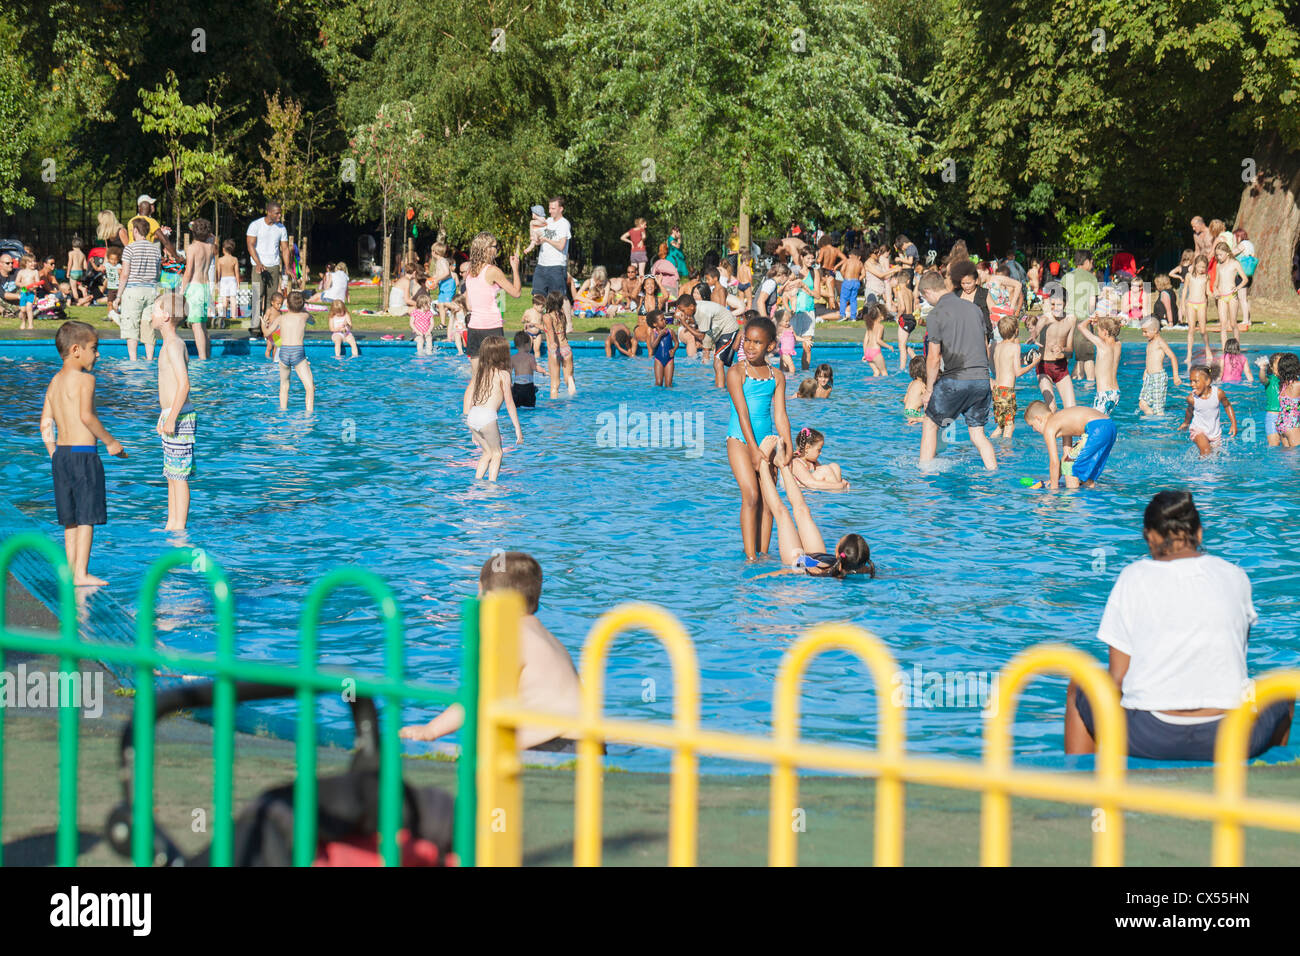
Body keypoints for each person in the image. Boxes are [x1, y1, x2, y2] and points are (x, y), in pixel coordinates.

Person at [1065, 490, 1292, 760]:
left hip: (1149, 736)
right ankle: (1269, 783)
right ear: (1199, 534)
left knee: (1080, 685)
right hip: (1230, 739)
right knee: (1283, 694)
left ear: (1150, 536)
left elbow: (1116, 679)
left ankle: (1083, 788)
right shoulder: (1235, 575)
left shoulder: (1133, 577)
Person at [400, 552, 583, 750]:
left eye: (479, 593)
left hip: (557, 745)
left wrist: (431, 730)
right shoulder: (546, 637)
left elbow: (480, 694)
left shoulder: (511, 637)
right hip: (586, 740)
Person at [39, 321, 127, 586]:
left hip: (62, 456)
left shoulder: (54, 382)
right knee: (87, 517)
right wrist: (111, 442)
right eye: (94, 348)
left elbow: (45, 424)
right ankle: (82, 573)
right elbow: (86, 417)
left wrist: (54, 453)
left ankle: (69, 570)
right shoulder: (86, 380)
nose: (97, 354)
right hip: (84, 455)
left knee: (70, 519)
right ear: (76, 350)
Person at [752, 436, 874, 577]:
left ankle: (762, 463)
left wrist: (757, 578)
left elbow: (788, 571)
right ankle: (782, 465)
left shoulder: (822, 571)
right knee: (803, 510)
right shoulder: (861, 567)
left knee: (782, 513)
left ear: (837, 551)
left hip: (796, 559)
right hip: (819, 556)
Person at [725, 316, 793, 560]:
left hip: (767, 443)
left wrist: (787, 447)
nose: (750, 346)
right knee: (751, 496)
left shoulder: (776, 376)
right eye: (747, 341)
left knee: (767, 501)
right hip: (740, 441)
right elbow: (743, 415)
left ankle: (763, 554)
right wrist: (754, 450)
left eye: (757, 342)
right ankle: (750, 556)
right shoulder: (736, 372)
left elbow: (781, 415)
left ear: (771, 346)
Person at [916, 271, 998, 470]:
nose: (926, 301)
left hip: (956, 379)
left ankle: (925, 476)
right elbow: (985, 345)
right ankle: (993, 474)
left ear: (928, 291)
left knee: (930, 422)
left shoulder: (936, 314)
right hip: (981, 379)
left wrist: (928, 391)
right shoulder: (974, 309)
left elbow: (934, 358)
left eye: (923, 297)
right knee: (978, 434)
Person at [150, 292, 196, 531]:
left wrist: (173, 417)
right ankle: (171, 523)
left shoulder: (175, 345)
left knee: (179, 476)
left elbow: (184, 384)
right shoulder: (167, 344)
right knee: (171, 473)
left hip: (180, 416)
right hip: (171, 414)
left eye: (155, 309)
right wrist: (165, 416)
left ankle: (180, 526)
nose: (151, 313)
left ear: (166, 316)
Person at [464, 335, 522, 482]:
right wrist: (517, 428)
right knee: (497, 453)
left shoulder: (479, 374)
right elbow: (510, 403)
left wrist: (474, 432)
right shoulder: (503, 375)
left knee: (486, 453)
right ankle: (491, 487)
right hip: (487, 417)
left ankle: (476, 484)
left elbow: (472, 399)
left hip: (473, 416)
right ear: (503, 354)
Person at [1022, 401, 1117, 489]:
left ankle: (1073, 501)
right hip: (1109, 426)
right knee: (1073, 464)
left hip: (1097, 428)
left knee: (1069, 465)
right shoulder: (1061, 419)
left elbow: (1054, 462)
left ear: (1038, 419)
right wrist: (1054, 479)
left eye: (1032, 426)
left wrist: (1053, 490)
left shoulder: (1049, 428)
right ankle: (1089, 490)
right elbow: (1066, 455)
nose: (1034, 430)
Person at [465, 231, 522, 374]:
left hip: (474, 329)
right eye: (495, 246)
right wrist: (515, 268)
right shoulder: (493, 271)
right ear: (486, 249)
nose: (497, 249)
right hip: (492, 328)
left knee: (476, 378)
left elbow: (469, 305)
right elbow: (516, 292)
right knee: (501, 374)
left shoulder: (470, 271)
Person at [119, 219, 163, 360]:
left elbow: (125, 274)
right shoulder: (156, 250)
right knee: (148, 325)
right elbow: (158, 273)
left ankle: (133, 360)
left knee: (131, 326)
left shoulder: (129, 249)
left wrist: (118, 295)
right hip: (151, 290)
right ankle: (150, 359)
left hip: (133, 290)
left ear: (136, 231)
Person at [989, 315, 1039, 438]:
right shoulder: (1015, 347)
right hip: (1007, 392)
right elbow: (1018, 372)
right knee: (1009, 426)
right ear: (1017, 331)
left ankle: (990, 444)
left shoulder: (997, 347)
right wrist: (1034, 363)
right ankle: (1005, 454)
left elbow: (1002, 366)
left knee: (1000, 426)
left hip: (996, 390)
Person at [246, 202, 291, 331]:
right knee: (257, 294)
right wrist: (258, 263)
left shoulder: (281, 228)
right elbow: (250, 245)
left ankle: (269, 325)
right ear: (269, 212)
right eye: (277, 213)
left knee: (272, 298)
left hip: (274, 266)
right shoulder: (255, 225)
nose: (279, 215)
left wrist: (287, 267)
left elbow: (285, 248)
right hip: (258, 265)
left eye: (280, 212)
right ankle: (255, 326)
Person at [1031, 289, 1077, 411]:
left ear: (1065, 304)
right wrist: (1033, 336)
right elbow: (1036, 330)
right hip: (1044, 367)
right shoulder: (1045, 318)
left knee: (1072, 409)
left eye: (1059, 305)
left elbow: (1070, 351)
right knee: (1052, 408)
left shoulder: (1071, 320)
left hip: (1061, 367)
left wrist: (1062, 349)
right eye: (1052, 304)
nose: (1055, 308)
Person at [1179, 365, 1236, 456]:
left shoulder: (1218, 393)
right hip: (1198, 430)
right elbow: (1189, 411)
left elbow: (1227, 405)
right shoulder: (1192, 398)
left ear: (1207, 381)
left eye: (1195, 381)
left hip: (1214, 433)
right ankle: (1201, 469)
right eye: (1191, 381)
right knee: (1206, 452)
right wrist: (1186, 423)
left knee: (1214, 457)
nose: (1192, 384)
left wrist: (1233, 423)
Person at [180, 219, 215, 359]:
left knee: (196, 326)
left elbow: (188, 271)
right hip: (206, 287)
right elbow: (212, 236)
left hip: (194, 287)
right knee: (203, 326)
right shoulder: (210, 247)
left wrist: (182, 291)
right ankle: (206, 355)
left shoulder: (192, 248)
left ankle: (202, 358)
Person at [276, 291, 315, 412]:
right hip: (297, 351)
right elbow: (313, 321)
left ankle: (283, 411)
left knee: (284, 385)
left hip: (283, 351)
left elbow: (267, 332)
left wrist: (263, 324)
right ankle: (309, 415)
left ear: (286, 304)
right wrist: (305, 312)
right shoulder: (304, 316)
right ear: (302, 305)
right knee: (309, 388)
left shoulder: (280, 317)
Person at [1136, 317, 1183, 416]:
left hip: (1158, 377)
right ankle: (1151, 420)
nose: (1143, 334)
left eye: (1145, 332)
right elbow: (1150, 359)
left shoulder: (1160, 342)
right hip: (1149, 376)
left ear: (1154, 330)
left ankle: (1159, 426)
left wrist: (1175, 376)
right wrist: (1146, 371)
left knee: (1158, 408)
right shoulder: (1150, 342)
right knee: (1142, 404)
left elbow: (1172, 357)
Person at [1077, 316, 1123, 414]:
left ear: (1105, 332)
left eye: (1098, 330)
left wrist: (1090, 319)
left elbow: (1081, 326)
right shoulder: (1118, 344)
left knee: (1095, 423)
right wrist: (1102, 321)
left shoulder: (1101, 345)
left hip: (1104, 394)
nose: (1097, 333)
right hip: (1115, 393)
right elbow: (1113, 332)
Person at [530, 197, 572, 301]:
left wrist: (547, 239)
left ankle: (566, 317)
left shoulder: (564, 224)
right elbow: (538, 240)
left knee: (559, 300)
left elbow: (561, 245)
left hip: (556, 267)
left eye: (553, 208)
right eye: (549, 208)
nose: (549, 211)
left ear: (561, 209)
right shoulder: (548, 221)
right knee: (537, 297)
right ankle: (540, 318)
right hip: (541, 266)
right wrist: (534, 232)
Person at [790, 427, 849, 491]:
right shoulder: (796, 463)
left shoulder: (813, 462)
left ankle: (837, 491)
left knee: (835, 466)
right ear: (807, 448)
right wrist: (840, 485)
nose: (820, 453)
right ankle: (838, 492)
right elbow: (810, 484)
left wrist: (842, 482)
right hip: (805, 493)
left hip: (814, 490)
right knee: (825, 469)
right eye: (819, 450)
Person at [1212, 243, 1246, 352]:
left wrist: (1238, 287)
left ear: (1227, 253)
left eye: (1220, 255)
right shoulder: (1218, 265)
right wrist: (1215, 290)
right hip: (1222, 297)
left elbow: (1245, 279)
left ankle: (1237, 347)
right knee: (1223, 324)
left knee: (1233, 323)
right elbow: (1215, 283)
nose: (1218, 257)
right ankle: (1224, 349)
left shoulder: (1235, 263)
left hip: (1232, 296)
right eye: (1217, 255)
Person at [542, 291, 576, 397]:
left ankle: (553, 408)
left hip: (555, 350)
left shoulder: (547, 316)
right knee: (569, 377)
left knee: (554, 383)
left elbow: (551, 330)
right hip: (566, 348)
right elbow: (560, 331)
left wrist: (552, 343)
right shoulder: (562, 315)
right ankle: (573, 399)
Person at [1184, 254, 1212, 366]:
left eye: (1203, 267)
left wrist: (1215, 294)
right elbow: (1185, 290)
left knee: (1202, 330)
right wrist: (1182, 305)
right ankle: (1189, 353)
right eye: (1199, 267)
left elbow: (1208, 292)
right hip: (1191, 304)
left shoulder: (1206, 277)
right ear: (1195, 265)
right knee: (1191, 329)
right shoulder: (1189, 276)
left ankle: (1208, 349)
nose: (1201, 269)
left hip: (1202, 304)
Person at [510, 331, 543, 408]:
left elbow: (508, 372)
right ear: (527, 344)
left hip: (517, 387)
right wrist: (544, 371)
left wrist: (510, 385)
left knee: (517, 407)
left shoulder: (513, 358)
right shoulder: (530, 356)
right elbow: (535, 368)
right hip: (528, 387)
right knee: (530, 407)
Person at [860, 303, 892, 377]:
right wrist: (888, 346)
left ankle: (871, 387)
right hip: (875, 352)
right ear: (880, 316)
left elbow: (865, 341)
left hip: (868, 352)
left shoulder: (869, 326)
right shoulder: (880, 326)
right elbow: (878, 340)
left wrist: (865, 354)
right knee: (884, 373)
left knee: (876, 373)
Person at [649, 309, 677, 387]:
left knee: (668, 384)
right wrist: (660, 335)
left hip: (669, 360)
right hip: (658, 360)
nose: (664, 321)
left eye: (664, 318)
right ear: (655, 324)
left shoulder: (670, 332)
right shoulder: (653, 333)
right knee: (658, 383)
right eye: (662, 320)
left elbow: (677, 343)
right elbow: (653, 346)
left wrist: (674, 350)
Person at [215, 240, 240, 326]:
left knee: (224, 298)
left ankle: (224, 315)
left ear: (223, 249)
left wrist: (217, 282)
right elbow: (237, 272)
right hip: (232, 279)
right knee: (233, 298)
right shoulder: (234, 259)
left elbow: (218, 273)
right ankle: (233, 315)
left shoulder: (220, 260)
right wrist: (238, 282)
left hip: (223, 279)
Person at [903, 354, 927, 424]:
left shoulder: (911, 383)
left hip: (906, 412)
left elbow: (905, 400)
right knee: (932, 420)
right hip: (914, 414)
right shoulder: (923, 385)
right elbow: (928, 400)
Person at [65, 237, 89, 304]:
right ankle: (85, 295)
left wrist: (68, 272)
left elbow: (70, 263)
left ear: (73, 245)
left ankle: (77, 301)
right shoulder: (83, 254)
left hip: (73, 271)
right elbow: (85, 266)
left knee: (74, 288)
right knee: (78, 286)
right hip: (80, 272)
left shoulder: (71, 253)